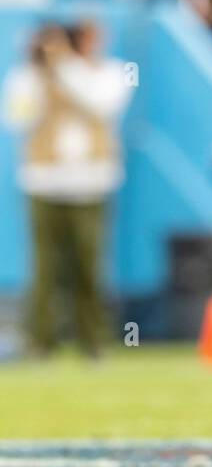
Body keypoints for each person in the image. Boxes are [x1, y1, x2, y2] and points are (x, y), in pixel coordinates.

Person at [2, 20, 131, 358]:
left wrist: (63, 64)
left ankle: (94, 341)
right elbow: (17, 120)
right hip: (43, 179)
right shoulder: (28, 77)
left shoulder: (109, 73)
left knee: (89, 265)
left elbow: (100, 104)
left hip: (91, 180)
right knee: (45, 267)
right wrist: (38, 72)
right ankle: (40, 342)